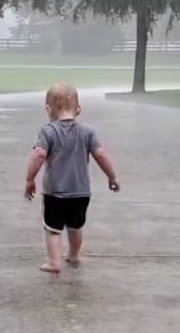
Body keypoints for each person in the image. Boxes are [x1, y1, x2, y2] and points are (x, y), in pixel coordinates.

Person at [24, 83, 120, 273]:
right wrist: (112, 176)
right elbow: (101, 155)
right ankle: (74, 255)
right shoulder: (88, 131)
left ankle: (54, 262)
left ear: (48, 110)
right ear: (78, 109)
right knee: (75, 226)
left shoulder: (47, 131)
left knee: (53, 229)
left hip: (55, 193)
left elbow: (38, 155)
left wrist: (29, 179)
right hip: (81, 192)